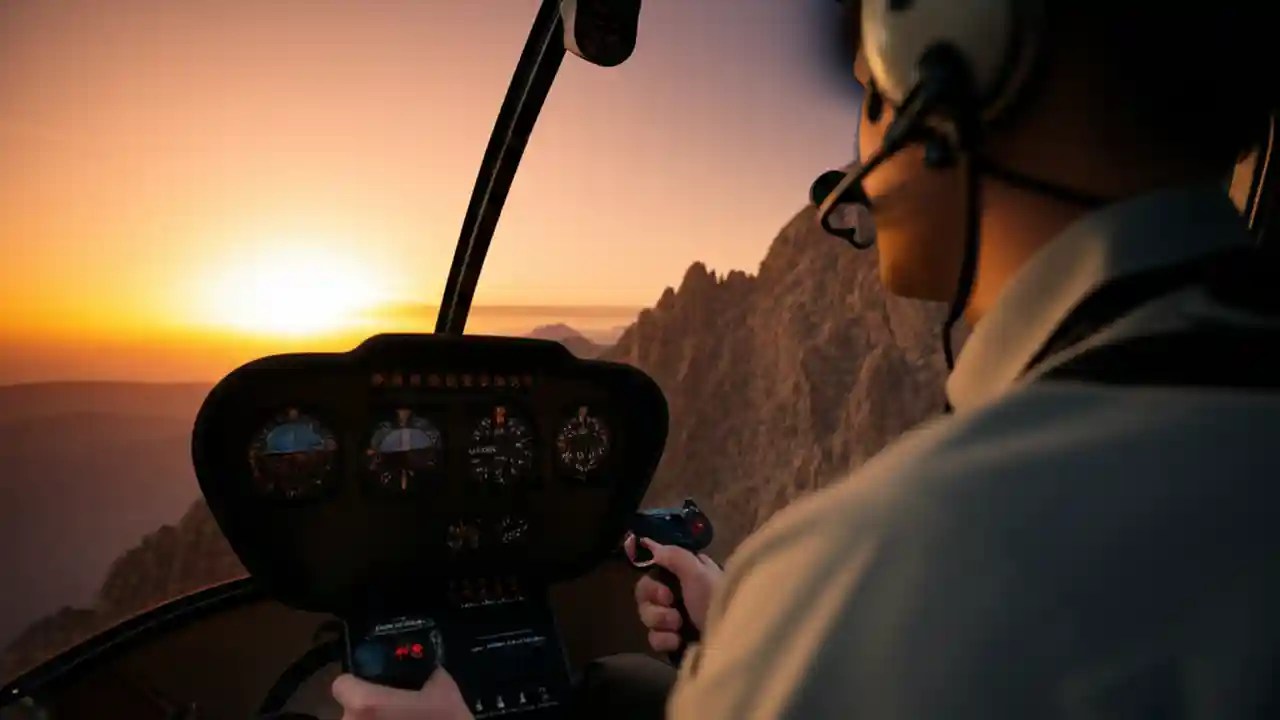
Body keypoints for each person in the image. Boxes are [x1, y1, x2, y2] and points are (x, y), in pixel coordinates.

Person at [331, 0, 1280, 717]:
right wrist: (747, 615)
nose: (862, 141)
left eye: (868, 87)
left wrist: (789, 616)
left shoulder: (878, 567)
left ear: (955, 60)